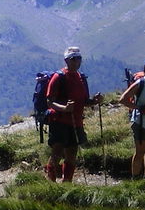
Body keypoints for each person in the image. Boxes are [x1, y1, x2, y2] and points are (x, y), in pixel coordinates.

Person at [44, 47, 102, 183]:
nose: (76, 62)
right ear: (66, 60)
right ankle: (50, 182)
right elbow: (49, 101)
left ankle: (67, 183)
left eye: (79, 58)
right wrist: (64, 108)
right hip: (59, 121)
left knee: (72, 153)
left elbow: (84, 101)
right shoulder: (58, 77)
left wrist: (94, 101)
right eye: (73, 59)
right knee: (57, 152)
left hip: (75, 121)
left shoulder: (81, 77)